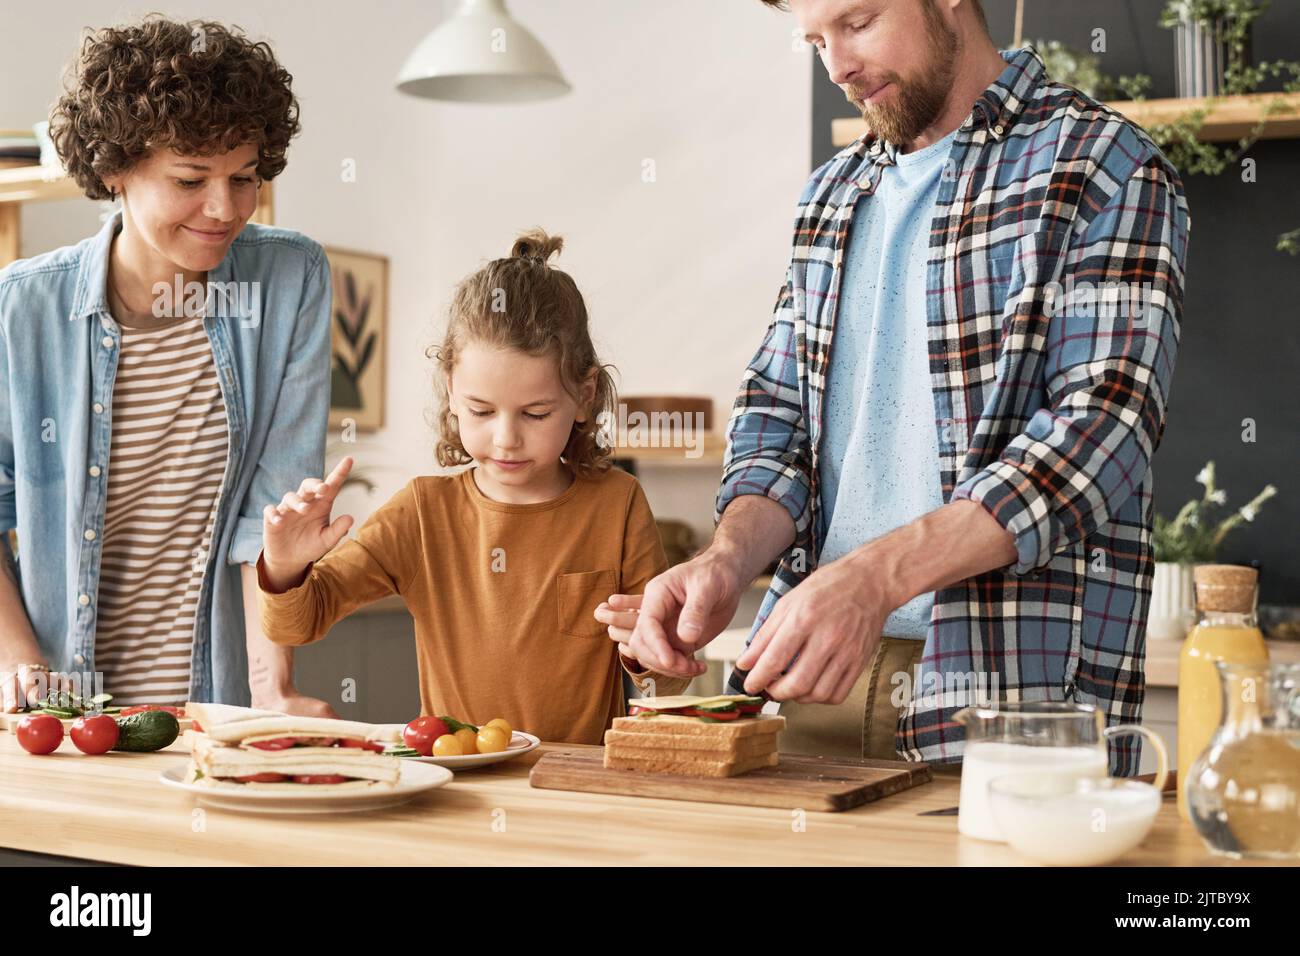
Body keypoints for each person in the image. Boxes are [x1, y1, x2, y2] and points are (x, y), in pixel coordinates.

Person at [601, 0, 1190, 774]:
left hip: (1011, 702)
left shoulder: (1104, 166)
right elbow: (777, 421)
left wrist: (873, 579)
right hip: (812, 685)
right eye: (815, 41)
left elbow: (1098, 433)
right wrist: (725, 561)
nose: (837, 66)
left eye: (858, 22)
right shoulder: (832, 196)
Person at [0, 17, 337, 716]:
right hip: (65, 716)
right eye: (191, 179)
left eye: (243, 178)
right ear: (115, 170)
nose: (224, 209)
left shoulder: (288, 280)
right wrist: (23, 666)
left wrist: (272, 691)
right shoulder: (21, 311)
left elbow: (268, 518)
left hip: (215, 710)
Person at [255, 230, 691, 743]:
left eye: (536, 412)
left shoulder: (617, 504)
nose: (506, 438)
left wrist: (649, 646)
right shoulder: (422, 512)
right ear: (452, 394)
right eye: (481, 411)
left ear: (584, 395)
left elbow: (666, 682)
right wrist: (284, 567)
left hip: (575, 788)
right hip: (456, 784)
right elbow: (296, 625)